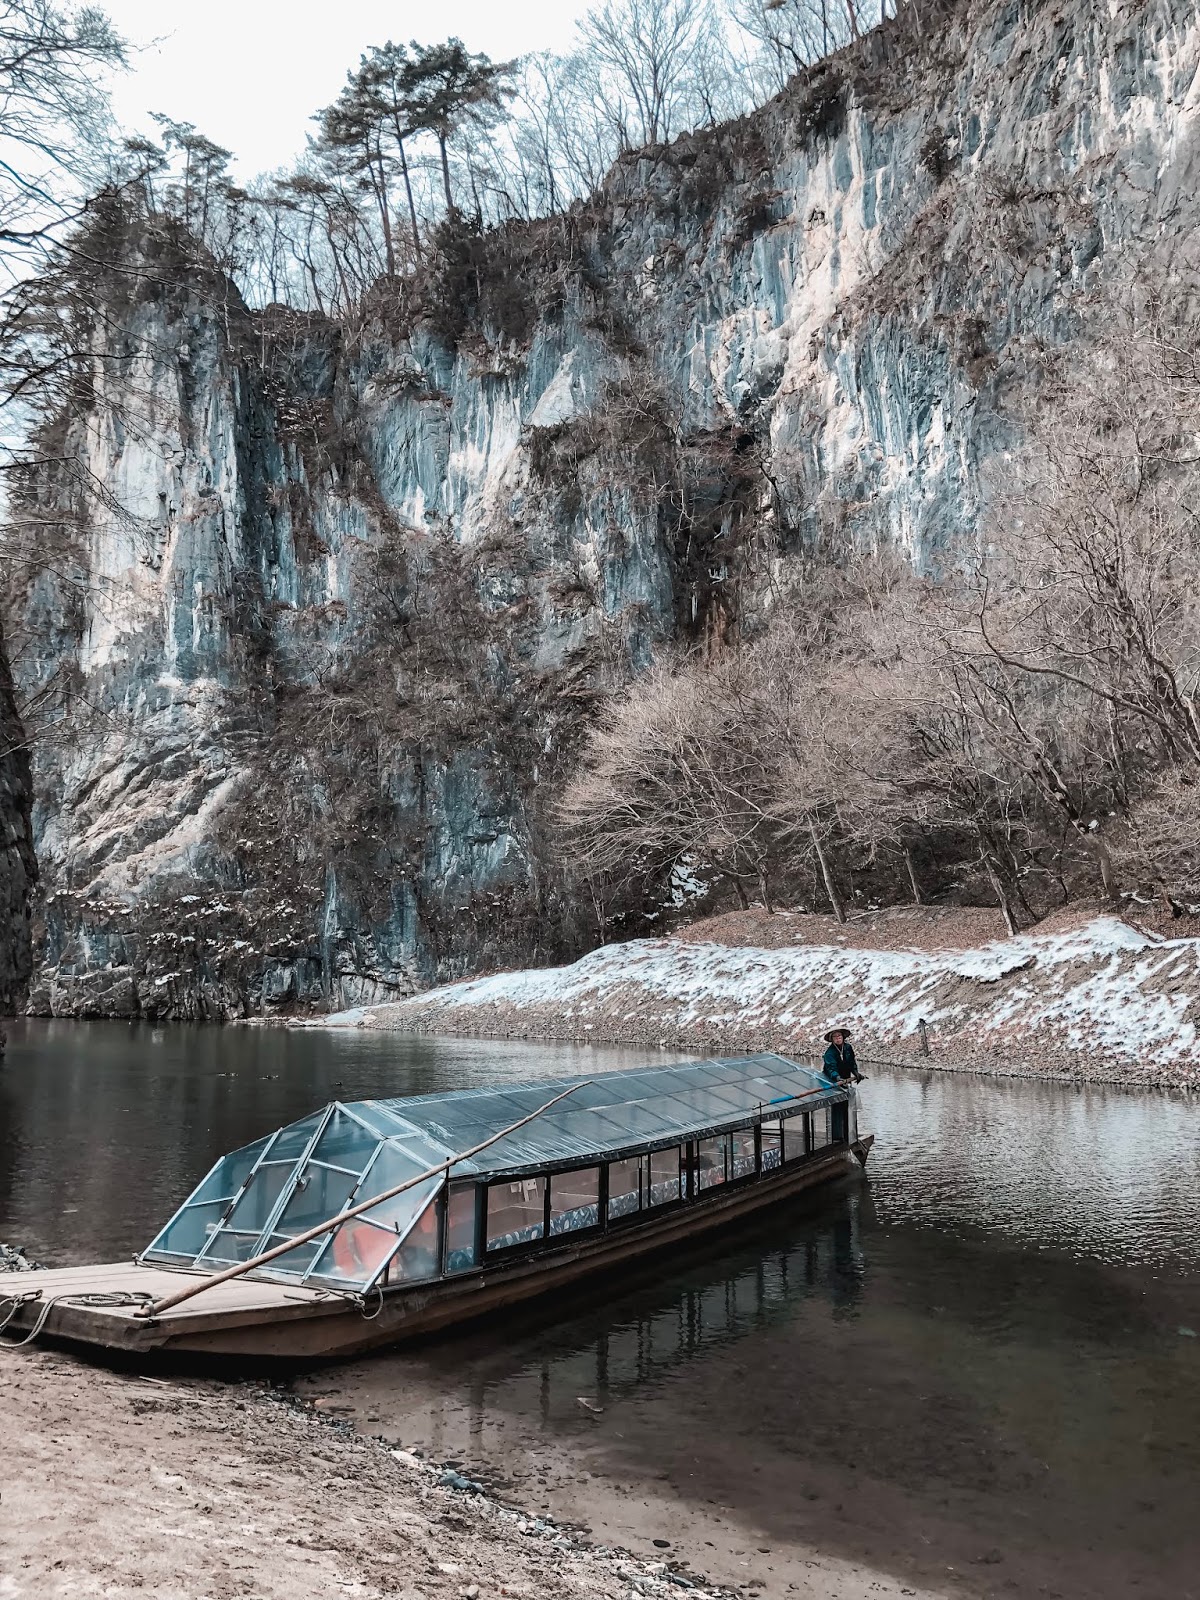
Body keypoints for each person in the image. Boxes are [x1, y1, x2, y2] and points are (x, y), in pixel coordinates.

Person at [822, 1026, 862, 1145]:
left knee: (847, 1106)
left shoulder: (848, 1048)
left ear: (843, 1037)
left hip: (846, 1079)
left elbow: (851, 1062)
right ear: (832, 1039)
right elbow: (830, 1068)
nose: (838, 1039)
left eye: (839, 1036)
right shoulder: (830, 1053)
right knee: (836, 1108)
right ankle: (837, 1137)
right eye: (835, 1037)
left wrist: (855, 1072)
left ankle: (848, 1134)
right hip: (833, 1081)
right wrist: (837, 1077)